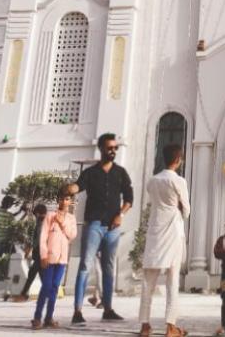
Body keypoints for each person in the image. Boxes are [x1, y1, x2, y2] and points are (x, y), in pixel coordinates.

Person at [69, 133, 134, 325]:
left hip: (113, 227)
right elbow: (78, 187)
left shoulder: (121, 172)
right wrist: (69, 188)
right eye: (109, 148)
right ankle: (77, 311)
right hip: (94, 225)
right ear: (101, 149)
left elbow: (129, 198)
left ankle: (108, 309)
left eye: (115, 148)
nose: (113, 151)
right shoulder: (90, 173)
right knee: (85, 267)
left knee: (108, 269)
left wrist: (120, 215)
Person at [138, 144, 191, 337]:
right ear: (178, 160)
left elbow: (153, 202)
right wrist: (176, 205)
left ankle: (145, 325)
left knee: (148, 281)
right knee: (172, 280)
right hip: (173, 233)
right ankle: (170, 327)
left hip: (155, 231)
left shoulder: (153, 181)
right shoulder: (179, 181)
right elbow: (186, 211)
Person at [32, 186, 78, 329]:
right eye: (61, 199)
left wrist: (61, 222)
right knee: (46, 286)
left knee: (54, 287)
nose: (63, 201)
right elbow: (43, 237)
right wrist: (43, 256)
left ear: (70, 201)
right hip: (49, 258)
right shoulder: (49, 216)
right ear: (57, 200)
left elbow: (72, 235)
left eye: (66, 199)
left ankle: (49, 317)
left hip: (62, 259)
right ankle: (37, 317)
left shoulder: (71, 218)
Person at [15, 204, 48, 302]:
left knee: (33, 273)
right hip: (42, 251)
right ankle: (44, 295)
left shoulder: (41, 223)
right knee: (38, 274)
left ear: (38, 213)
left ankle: (24, 294)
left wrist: (30, 248)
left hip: (40, 251)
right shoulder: (44, 221)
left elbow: (38, 239)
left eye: (35, 214)